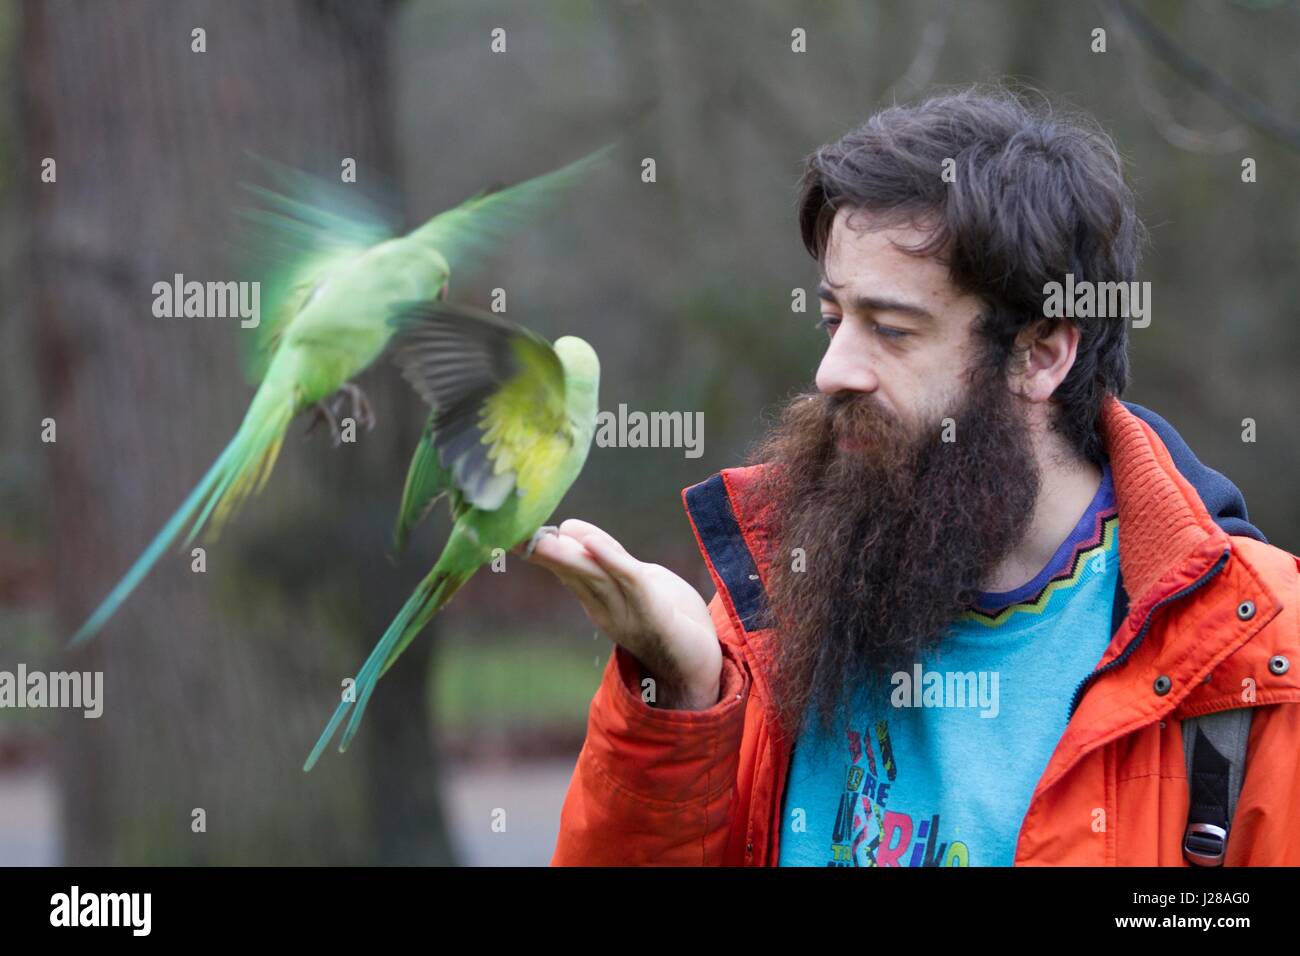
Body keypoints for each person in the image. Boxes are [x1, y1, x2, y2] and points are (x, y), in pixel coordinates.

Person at [525, 88, 1300, 866]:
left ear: (1041, 354)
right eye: (833, 319)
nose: (833, 371)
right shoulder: (771, 605)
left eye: (891, 331)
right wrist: (676, 698)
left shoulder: (1256, 661)